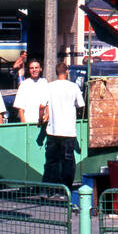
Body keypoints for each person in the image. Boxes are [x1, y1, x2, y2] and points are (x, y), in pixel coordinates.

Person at [39, 62, 84, 191]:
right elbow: (81, 105)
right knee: (68, 162)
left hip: (52, 130)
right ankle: (66, 190)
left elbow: (41, 106)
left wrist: (40, 118)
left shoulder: (50, 86)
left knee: (51, 162)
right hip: (69, 131)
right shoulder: (74, 87)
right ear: (67, 72)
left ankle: (47, 190)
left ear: (56, 72)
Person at [13, 58, 47, 124]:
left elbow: (48, 104)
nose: (34, 70)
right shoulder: (24, 84)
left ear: (40, 69)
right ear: (29, 70)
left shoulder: (44, 82)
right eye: (31, 68)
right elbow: (20, 108)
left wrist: (46, 116)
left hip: (43, 124)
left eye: (36, 67)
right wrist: (24, 124)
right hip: (28, 123)